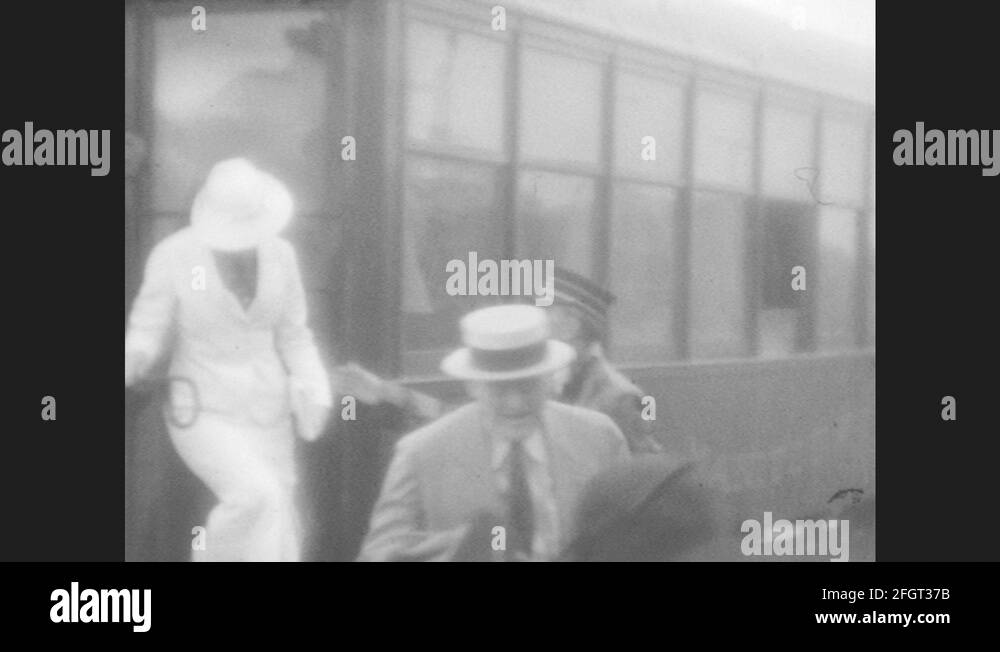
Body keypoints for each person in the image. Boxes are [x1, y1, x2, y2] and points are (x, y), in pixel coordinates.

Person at [124, 158, 332, 562]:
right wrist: (133, 359)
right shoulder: (173, 255)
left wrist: (316, 390)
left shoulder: (282, 256)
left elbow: (295, 337)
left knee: (284, 517)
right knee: (257, 497)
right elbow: (147, 329)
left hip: (269, 411)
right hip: (202, 409)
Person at [358, 304, 630, 562]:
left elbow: (637, 536)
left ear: (550, 378)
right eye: (499, 389)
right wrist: (465, 548)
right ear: (472, 385)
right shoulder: (420, 452)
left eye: (528, 386)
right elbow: (379, 554)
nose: (516, 403)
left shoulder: (600, 438)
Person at [547, 268, 664, 454]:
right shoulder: (549, 385)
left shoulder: (621, 397)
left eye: (547, 314)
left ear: (572, 326)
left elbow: (642, 469)